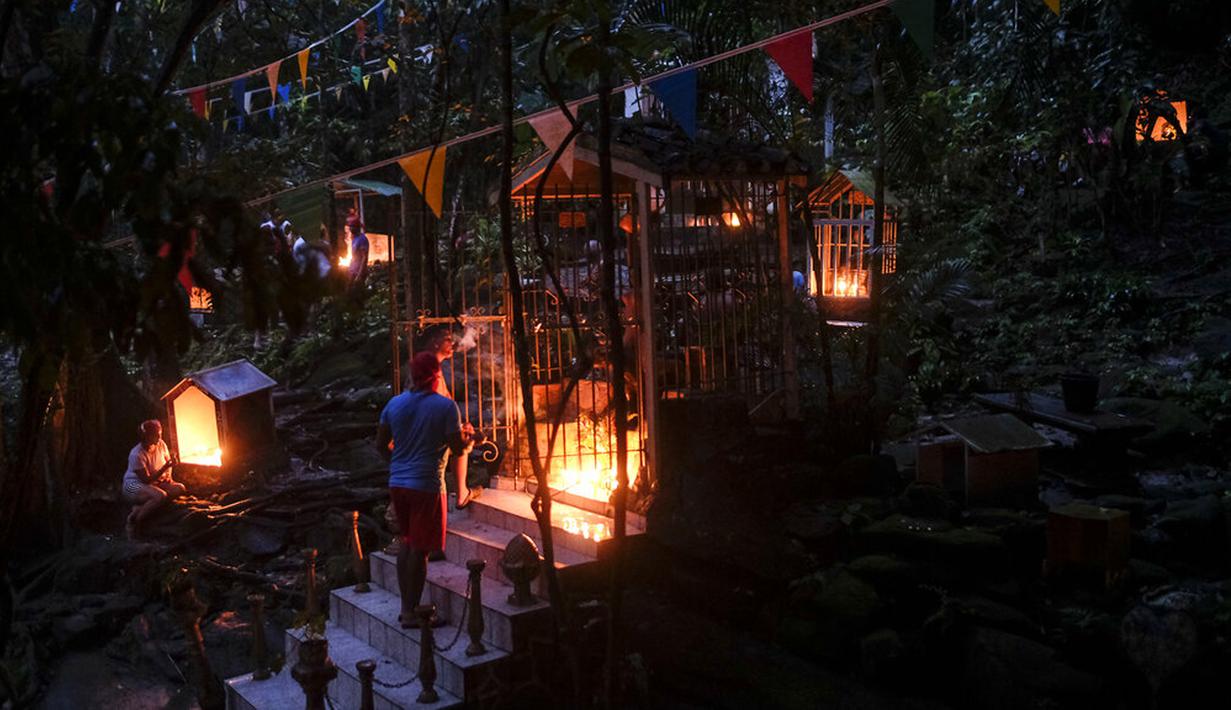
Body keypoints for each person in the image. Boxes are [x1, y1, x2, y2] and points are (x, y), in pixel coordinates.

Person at [376, 353, 473, 627]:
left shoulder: (394, 404)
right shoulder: (445, 407)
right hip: (427, 486)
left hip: (398, 484)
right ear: (435, 376)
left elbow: (381, 446)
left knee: (407, 543)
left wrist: (398, 464)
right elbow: (457, 449)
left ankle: (407, 607)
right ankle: (411, 613)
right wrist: (472, 441)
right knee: (420, 550)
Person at [419, 325, 481, 508]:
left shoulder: (432, 367)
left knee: (462, 438)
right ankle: (455, 498)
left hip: (431, 429)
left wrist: (459, 424)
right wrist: (461, 430)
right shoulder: (429, 369)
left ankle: (462, 493)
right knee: (461, 445)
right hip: (430, 435)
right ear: (435, 342)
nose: (453, 343)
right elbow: (434, 404)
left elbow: (444, 399)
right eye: (448, 339)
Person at [122, 420, 187, 537]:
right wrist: (164, 468)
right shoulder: (136, 454)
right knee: (160, 496)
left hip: (154, 484)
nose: (159, 437)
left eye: (160, 434)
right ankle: (134, 520)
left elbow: (168, 463)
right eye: (156, 435)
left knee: (179, 488)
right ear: (146, 436)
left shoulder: (161, 444)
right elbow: (146, 480)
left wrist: (169, 477)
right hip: (132, 486)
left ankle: (142, 507)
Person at [346, 213, 370, 292]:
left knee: (356, 295)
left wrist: (359, 275)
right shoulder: (354, 239)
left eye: (352, 227)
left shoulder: (362, 239)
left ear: (357, 227)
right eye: (350, 227)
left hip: (358, 273)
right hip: (352, 272)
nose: (350, 229)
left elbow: (364, 257)